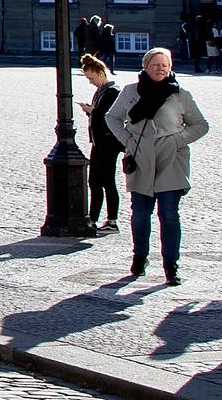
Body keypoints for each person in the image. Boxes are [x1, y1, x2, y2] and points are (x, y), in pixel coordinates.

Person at [107, 46, 210, 286]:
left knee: (169, 214)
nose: (160, 69)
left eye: (164, 65)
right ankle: (139, 257)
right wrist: (128, 141)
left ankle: (171, 265)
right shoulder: (130, 91)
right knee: (140, 213)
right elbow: (112, 117)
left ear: (170, 67)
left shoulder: (180, 94)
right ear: (145, 67)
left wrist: (177, 140)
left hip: (171, 160)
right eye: (155, 64)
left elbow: (201, 125)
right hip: (140, 157)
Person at [79, 52, 123, 234]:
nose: (90, 82)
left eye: (91, 78)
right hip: (98, 142)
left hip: (109, 143)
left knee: (108, 181)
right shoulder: (101, 91)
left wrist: (92, 111)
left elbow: (109, 116)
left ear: (100, 73)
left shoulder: (113, 92)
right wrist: (90, 111)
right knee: (94, 181)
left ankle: (112, 221)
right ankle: (93, 217)